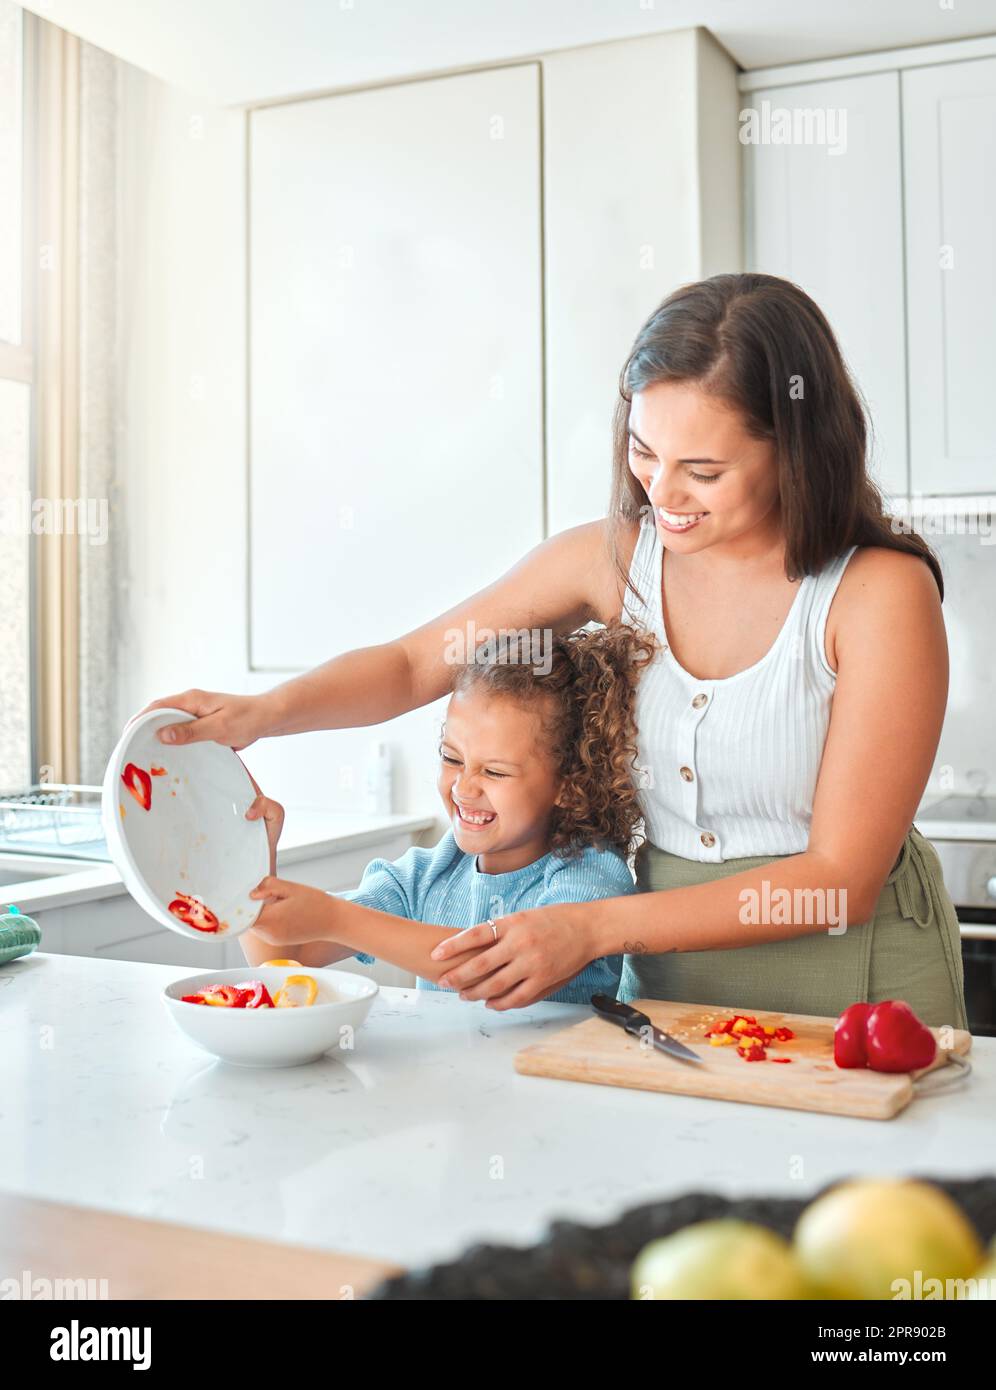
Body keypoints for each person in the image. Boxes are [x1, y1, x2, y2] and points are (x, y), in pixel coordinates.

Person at [139, 272, 968, 1027]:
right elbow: (415, 664)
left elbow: (839, 881)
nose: (661, 493)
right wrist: (264, 714)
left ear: (795, 448)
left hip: (858, 981)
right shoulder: (611, 561)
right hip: (673, 980)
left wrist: (593, 927)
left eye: (703, 470)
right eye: (643, 452)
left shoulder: (878, 595)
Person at [238, 623, 655, 1004]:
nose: (463, 788)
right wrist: (247, 851)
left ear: (569, 783)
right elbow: (282, 957)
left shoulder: (589, 876)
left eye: (494, 772)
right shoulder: (427, 874)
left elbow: (496, 970)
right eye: (452, 758)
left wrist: (338, 918)